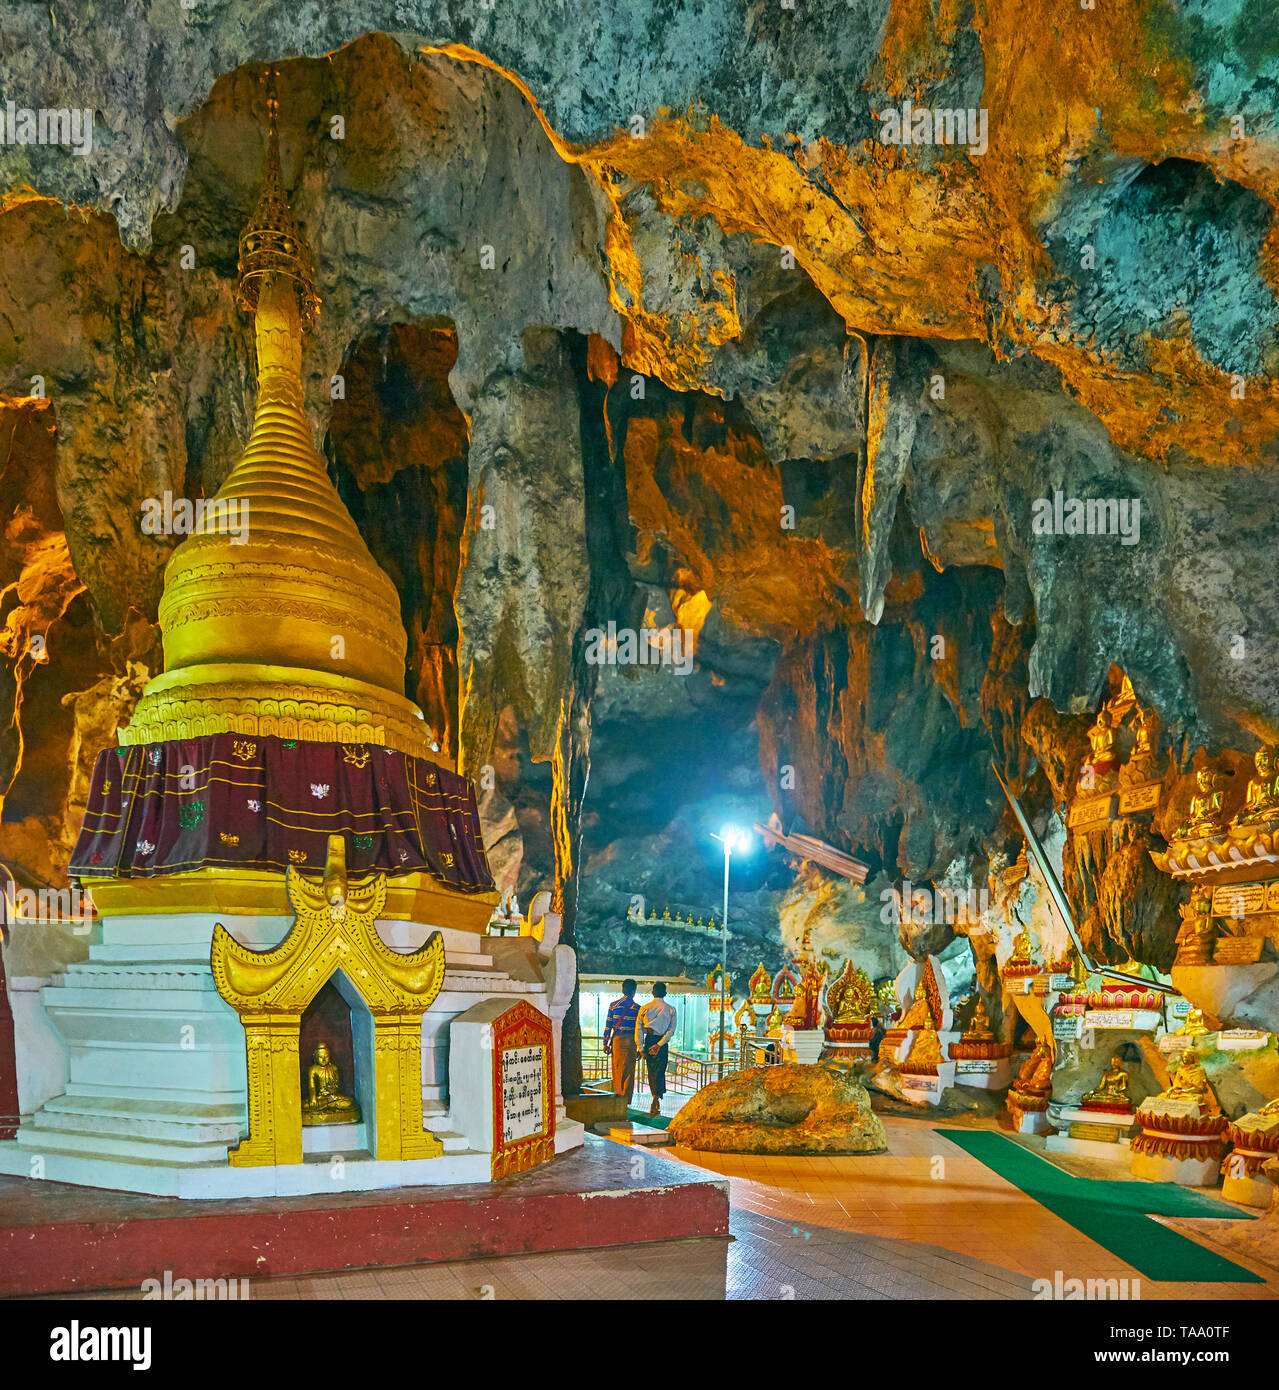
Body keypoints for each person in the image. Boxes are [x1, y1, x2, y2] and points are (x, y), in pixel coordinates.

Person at [636, 982, 678, 1117]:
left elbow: (638, 1029)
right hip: (662, 1044)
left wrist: (641, 1047)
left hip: (649, 1041)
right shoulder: (671, 1009)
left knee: (652, 1071)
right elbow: (671, 1030)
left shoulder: (644, 1008)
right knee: (660, 1071)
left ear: (652, 993)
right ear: (665, 993)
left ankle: (655, 1096)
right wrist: (660, 1044)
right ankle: (657, 1096)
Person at [602, 978, 641, 1104]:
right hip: (631, 1041)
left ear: (622, 989)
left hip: (617, 1041)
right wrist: (640, 1047)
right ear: (634, 991)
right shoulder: (637, 1009)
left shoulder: (614, 1005)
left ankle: (619, 1098)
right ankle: (627, 1100)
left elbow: (608, 1026)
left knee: (617, 1070)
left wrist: (605, 1043)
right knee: (629, 1070)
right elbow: (639, 1030)